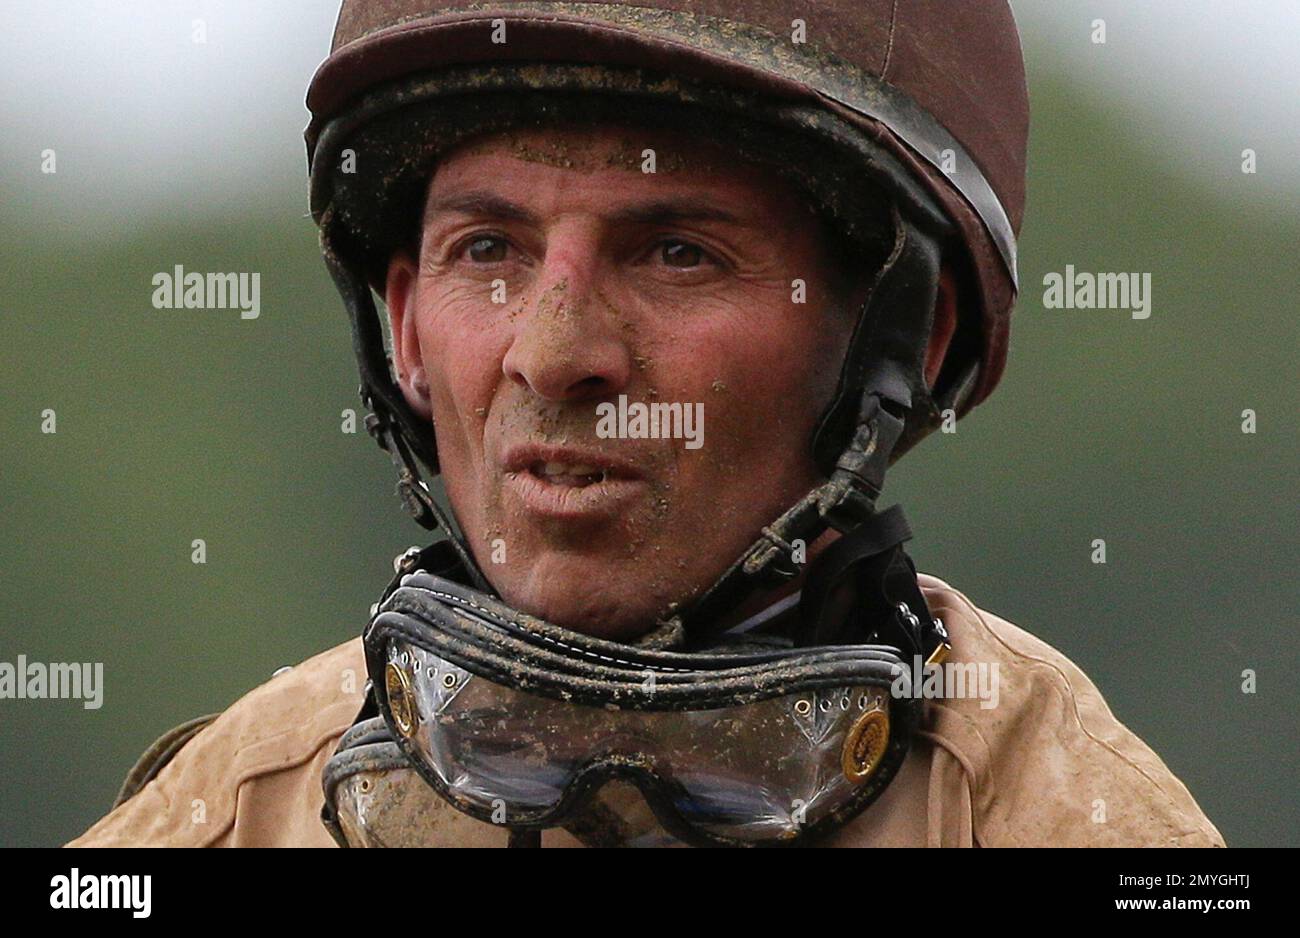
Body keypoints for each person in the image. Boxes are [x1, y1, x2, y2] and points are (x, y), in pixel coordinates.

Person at [69, 0, 1223, 848]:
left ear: (904, 342)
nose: (555, 354)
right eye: (489, 251)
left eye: (679, 253)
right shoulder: (212, 823)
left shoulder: (1078, 825)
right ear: (407, 324)